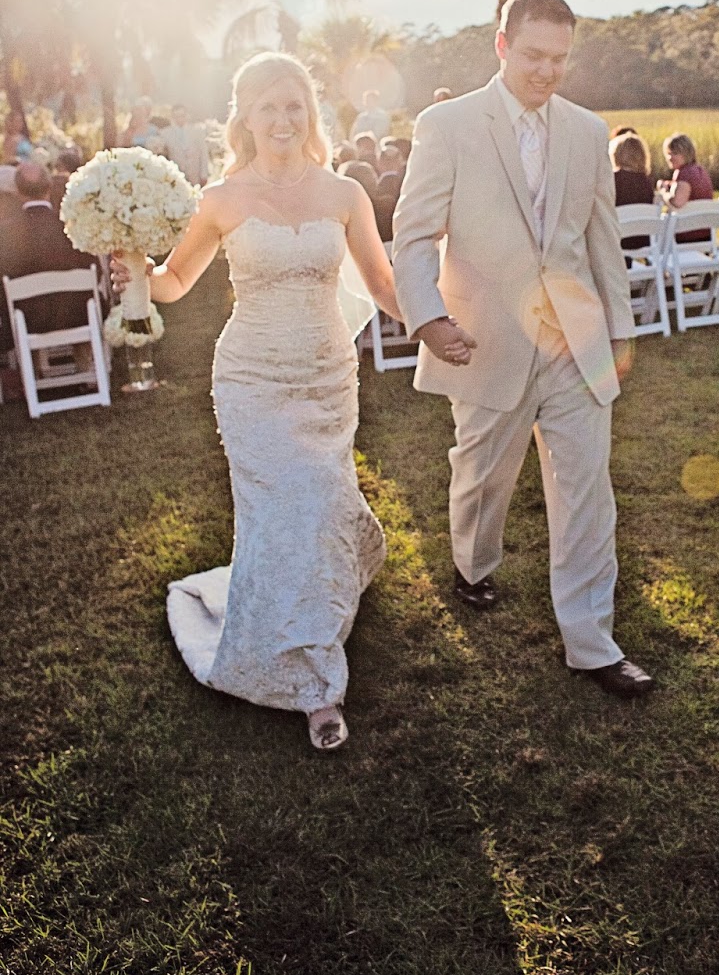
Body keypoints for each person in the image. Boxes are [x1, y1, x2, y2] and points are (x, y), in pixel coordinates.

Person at [110, 52, 467, 751]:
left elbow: (384, 283)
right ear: (245, 116)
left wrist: (434, 322)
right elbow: (177, 281)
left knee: (313, 507)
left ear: (311, 113)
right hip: (251, 379)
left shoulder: (343, 195)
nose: (282, 119)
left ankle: (313, 599)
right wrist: (137, 272)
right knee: (290, 508)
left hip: (327, 379)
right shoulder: (222, 199)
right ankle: (316, 688)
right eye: (268, 106)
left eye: (294, 105)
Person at [392, 0, 652, 698]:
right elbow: (413, 236)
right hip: (484, 339)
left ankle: (592, 644)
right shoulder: (446, 125)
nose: (546, 71)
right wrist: (427, 318)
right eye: (534, 54)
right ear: (501, 45)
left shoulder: (585, 129)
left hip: (577, 342)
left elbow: (602, 241)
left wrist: (620, 337)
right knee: (482, 478)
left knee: (588, 492)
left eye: (560, 59)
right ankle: (473, 565)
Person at [0, 162, 95, 357]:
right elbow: (94, 269)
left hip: (28, 322)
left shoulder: (5, 233)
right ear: (49, 187)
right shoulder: (72, 225)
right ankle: (86, 365)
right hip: (79, 316)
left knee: (18, 300)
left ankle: (33, 370)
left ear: (18, 192)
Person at [658, 133, 715, 243]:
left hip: (687, 235)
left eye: (674, 153)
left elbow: (677, 202)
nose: (670, 157)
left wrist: (663, 192)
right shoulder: (700, 171)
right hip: (705, 234)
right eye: (668, 153)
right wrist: (671, 185)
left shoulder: (683, 174)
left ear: (685, 154)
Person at [163, 104, 210, 185]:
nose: (180, 118)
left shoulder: (197, 131)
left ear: (187, 115)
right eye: (176, 116)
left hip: (195, 175)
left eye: (182, 115)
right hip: (176, 177)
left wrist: (204, 175)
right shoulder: (165, 133)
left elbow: (204, 153)